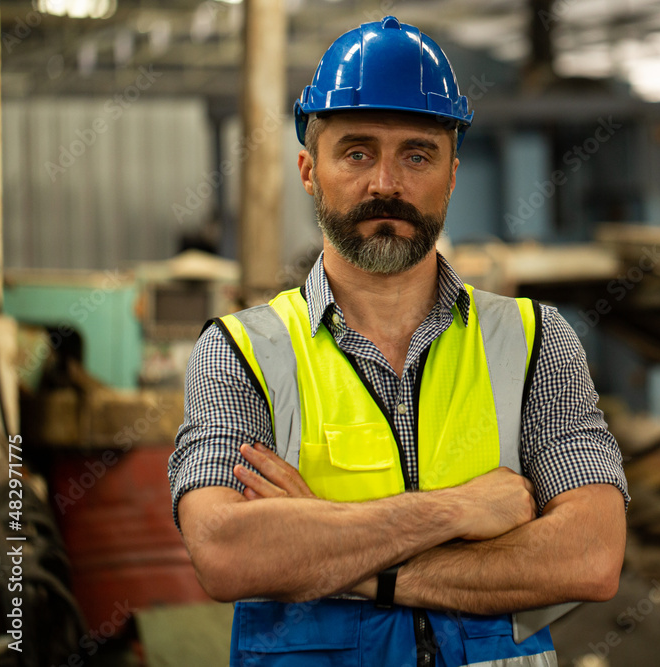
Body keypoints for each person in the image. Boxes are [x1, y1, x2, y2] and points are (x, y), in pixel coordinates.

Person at [168, 15, 628, 667]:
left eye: (417, 154)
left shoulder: (534, 342)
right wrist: (460, 509)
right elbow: (223, 551)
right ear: (308, 169)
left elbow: (590, 555)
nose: (387, 182)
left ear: (452, 173)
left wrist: (341, 553)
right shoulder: (241, 352)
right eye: (357, 152)